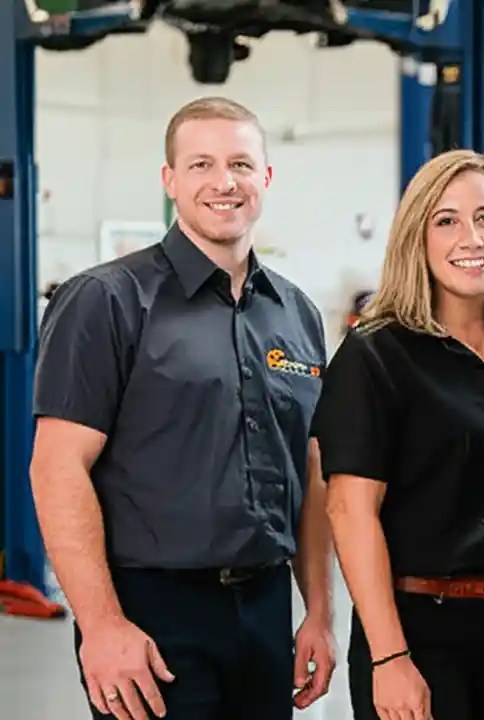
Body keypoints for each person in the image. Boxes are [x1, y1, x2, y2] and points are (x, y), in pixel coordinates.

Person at [29, 96, 336, 718]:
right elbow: (57, 469)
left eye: (242, 165)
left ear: (266, 178)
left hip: (265, 605)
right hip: (151, 613)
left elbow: (310, 469)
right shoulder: (106, 301)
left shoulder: (296, 312)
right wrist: (102, 626)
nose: (224, 182)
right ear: (169, 180)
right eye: (200, 164)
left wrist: (320, 615)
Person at [311, 149, 484, 720]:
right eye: (446, 220)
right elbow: (351, 514)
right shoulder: (375, 355)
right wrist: (389, 657)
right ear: (416, 237)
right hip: (418, 632)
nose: (470, 238)